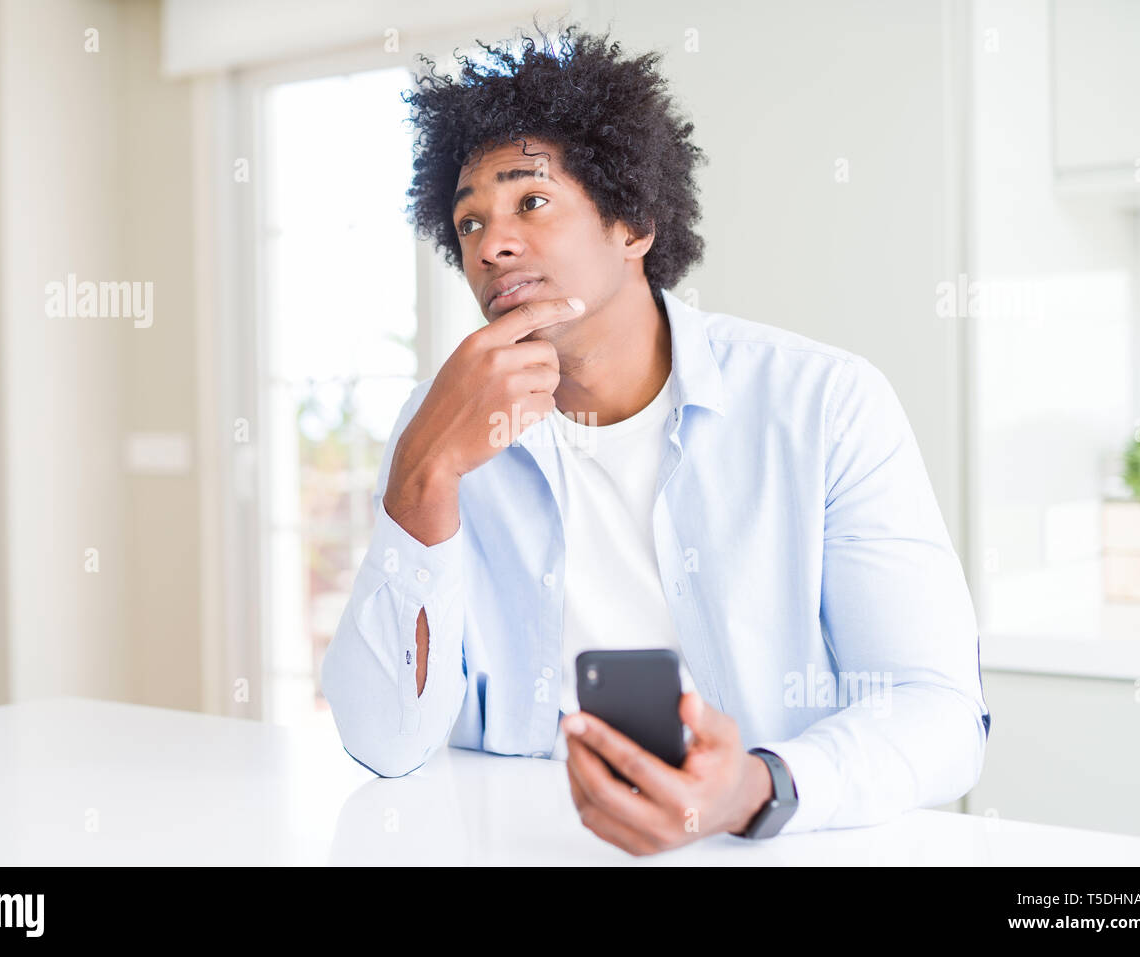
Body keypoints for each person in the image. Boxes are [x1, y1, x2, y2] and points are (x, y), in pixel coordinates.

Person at [320, 22, 990, 856]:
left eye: (531, 202)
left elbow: (938, 708)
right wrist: (421, 482)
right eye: (467, 223)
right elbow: (383, 739)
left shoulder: (823, 404)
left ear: (631, 222)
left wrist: (755, 785)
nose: (491, 245)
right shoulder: (441, 426)